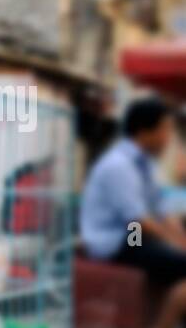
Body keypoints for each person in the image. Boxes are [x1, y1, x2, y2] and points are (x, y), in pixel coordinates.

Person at [80, 97, 186, 280]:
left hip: (134, 234)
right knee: (168, 256)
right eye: (165, 129)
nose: (168, 138)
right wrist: (174, 244)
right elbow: (137, 220)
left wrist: (180, 240)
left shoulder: (146, 165)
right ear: (144, 131)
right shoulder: (118, 165)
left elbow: (163, 211)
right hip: (117, 241)